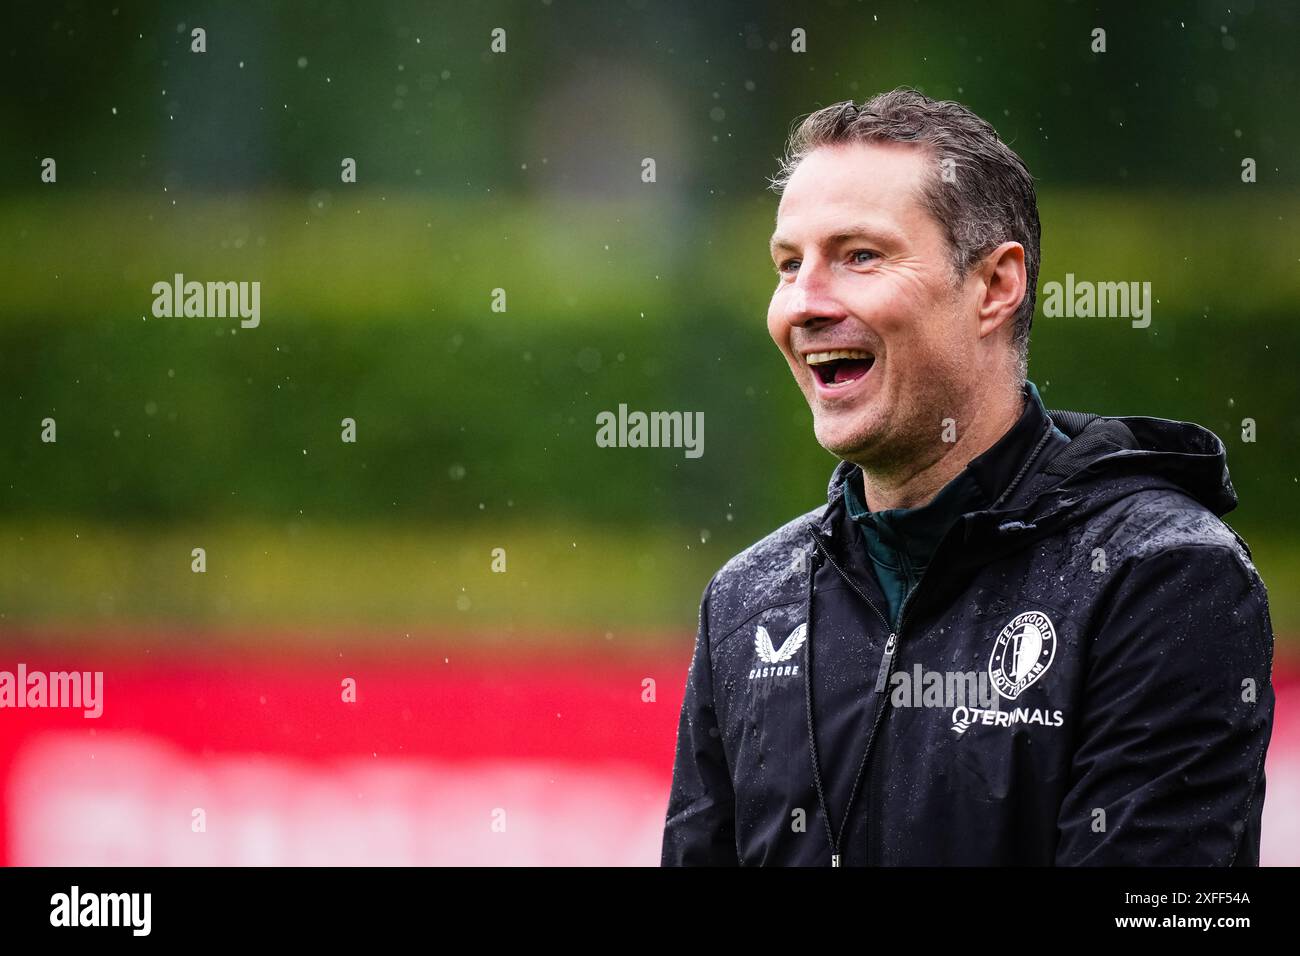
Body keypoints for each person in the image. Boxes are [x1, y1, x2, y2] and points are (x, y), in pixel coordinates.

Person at [660, 88, 1275, 866]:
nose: (803, 304)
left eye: (859, 255)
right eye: (789, 265)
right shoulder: (748, 600)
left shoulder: (1162, 577)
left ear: (994, 286)